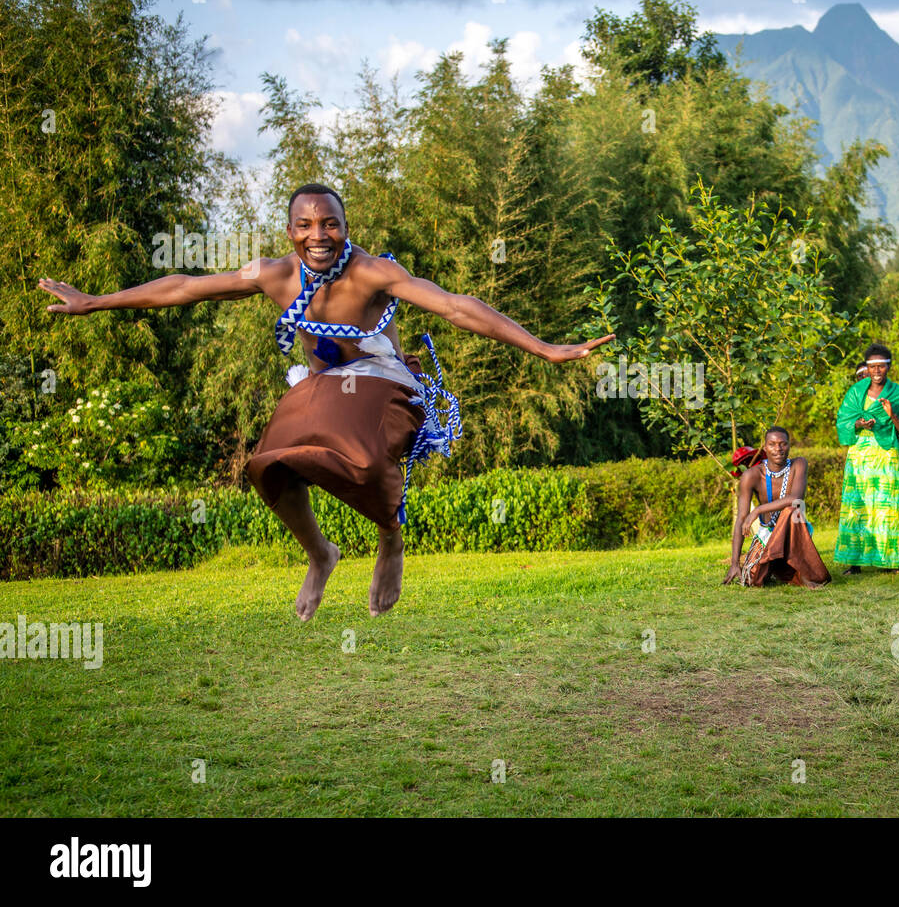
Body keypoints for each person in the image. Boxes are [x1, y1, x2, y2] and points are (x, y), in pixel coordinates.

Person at [39, 184, 612, 621]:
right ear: (289, 232)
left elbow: (458, 306)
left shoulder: (373, 272)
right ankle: (321, 554)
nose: (319, 235)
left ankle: (390, 537)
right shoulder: (273, 275)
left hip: (382, 381)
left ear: (345, 228)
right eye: (305, 225)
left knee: (360, 456)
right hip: (317, 385)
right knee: (268, 466)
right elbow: (184, 287)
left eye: (330, 224)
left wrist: (545, 349)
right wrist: (94, 302)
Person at [832, 346, 899, 574]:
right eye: (872, 366)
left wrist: (892, 415)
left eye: (881, 365)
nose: (876, 370)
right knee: (858, 506)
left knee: (888, 509)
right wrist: (858, 424)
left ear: (889, 366)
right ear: (867, 368)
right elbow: (843, 422)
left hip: (889, 458)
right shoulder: (855, 393)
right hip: (860, 458)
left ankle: (888, 562)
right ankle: (854, 563)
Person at [723, 427, 831, 588]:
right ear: (764, 448)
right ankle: (774, 569)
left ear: (789, 446)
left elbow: (796, 498)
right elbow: (741, 519)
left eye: (783, 444)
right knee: (752, 580)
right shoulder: (751, 475)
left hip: (793, 537)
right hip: (768, 536)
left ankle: (806, 575)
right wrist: (734, 563)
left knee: (793, 509)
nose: (778, 449)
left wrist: (758, 510)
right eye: (772, 444)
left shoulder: (798, 464)